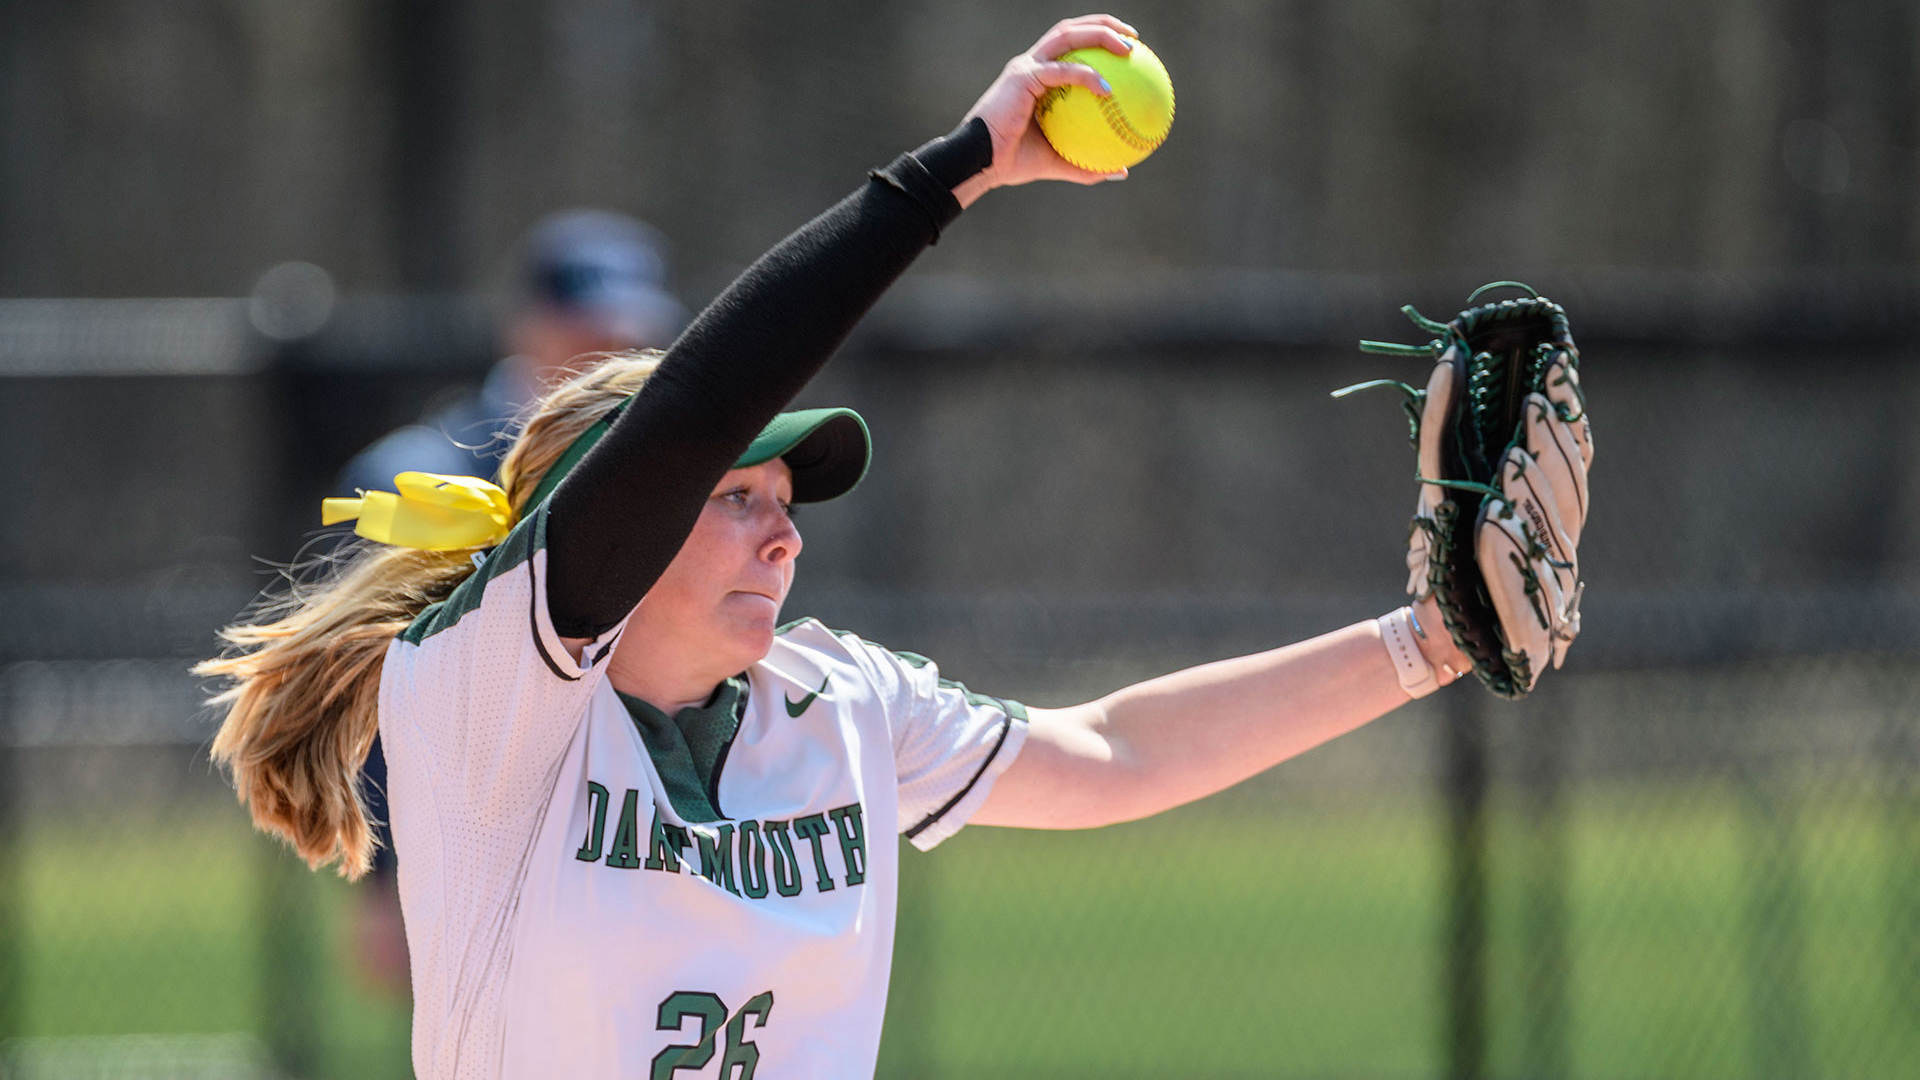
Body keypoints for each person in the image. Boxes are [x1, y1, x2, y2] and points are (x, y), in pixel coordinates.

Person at [199, 16, 1475, 1078]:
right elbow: (694, 404)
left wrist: (1425, 645)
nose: (782, 535)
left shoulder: (839, 706)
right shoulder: (497, 699)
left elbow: (1118, 750)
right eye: (734, 497)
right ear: (620, 516)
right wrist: (956, 171)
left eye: (785, 500)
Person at [336, 209, 686, 995]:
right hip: (461, 860)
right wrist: (382, 879)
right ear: (524, 328)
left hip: (631, 853)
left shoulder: (668, 476)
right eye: (586, 334)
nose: (610, 359)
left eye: (630, 340)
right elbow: (369, 702)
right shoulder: (422, 479)